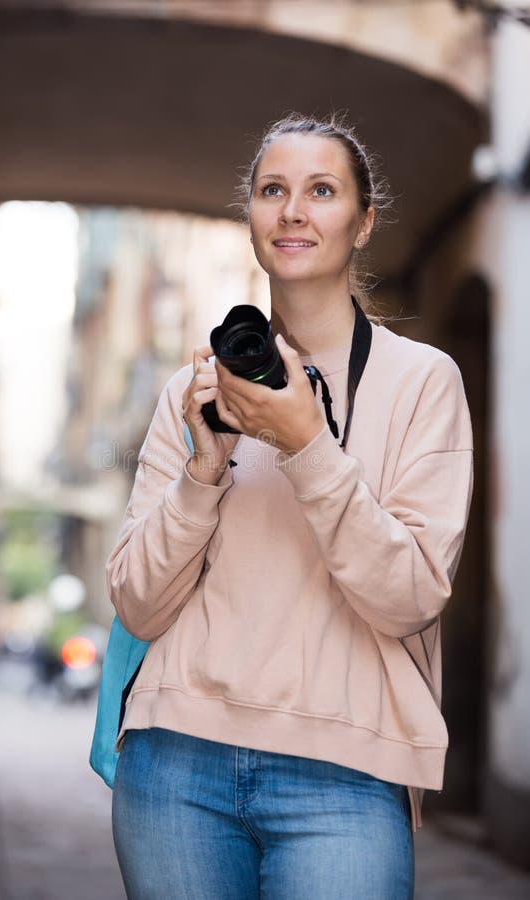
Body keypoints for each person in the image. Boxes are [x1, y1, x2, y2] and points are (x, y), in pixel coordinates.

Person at [105, 113, 474, 899]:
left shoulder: (422, 381)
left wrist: (308, 445)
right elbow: (136, 603)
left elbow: (408, 598)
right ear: (250, 218)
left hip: (347, 774)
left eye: (321, 191)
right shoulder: (193, 388)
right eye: (272, 190)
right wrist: (203, 473)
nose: (293, 211)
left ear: (363, 221)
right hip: (174, 763)